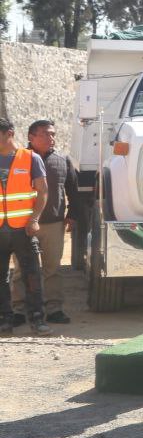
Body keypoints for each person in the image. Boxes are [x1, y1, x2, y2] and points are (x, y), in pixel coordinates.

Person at [10, 120, 78, 325]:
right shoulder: (18, 159)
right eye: (45, 134)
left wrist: (71, 214)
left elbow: (72, 189)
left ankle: (54, 309)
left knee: (52, 269)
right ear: (31, 137)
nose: (51, 138)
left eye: (53, 134)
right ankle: (19, 310)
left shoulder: (62, 160)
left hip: (53, 224)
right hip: (22, 224)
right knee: (22, 269)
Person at [0, 117, 53, 337]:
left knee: (32, 275)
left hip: (23, 230)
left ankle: (37, 319)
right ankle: (5, 320)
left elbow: (43, 192)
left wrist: (34, 219)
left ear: (9, 133)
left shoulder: (30, 158)